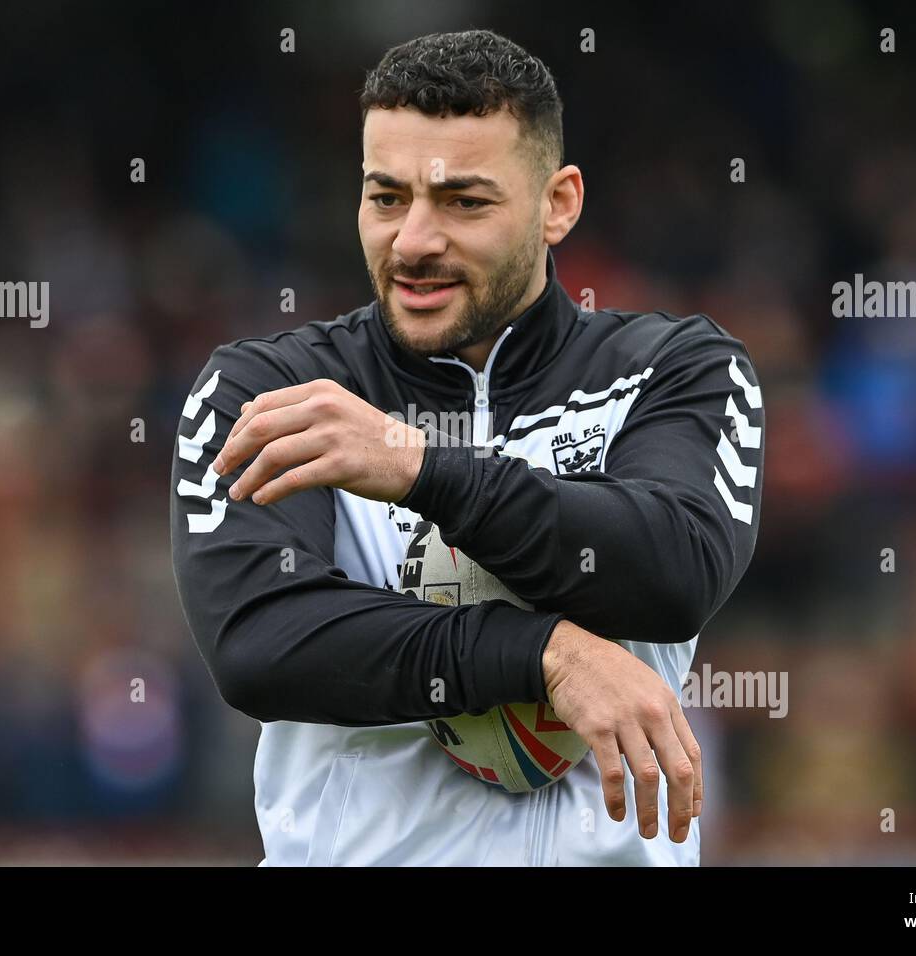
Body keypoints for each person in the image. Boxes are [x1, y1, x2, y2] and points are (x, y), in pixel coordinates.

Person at [170, 29, 764, 865]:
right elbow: (259, 644)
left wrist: (420, 469)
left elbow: (675, 568)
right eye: (387, 197)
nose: (413, 240)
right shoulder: (268, 388)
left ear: (559, 202)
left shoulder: (677, 369)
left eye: (463, 202)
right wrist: (543, 654)